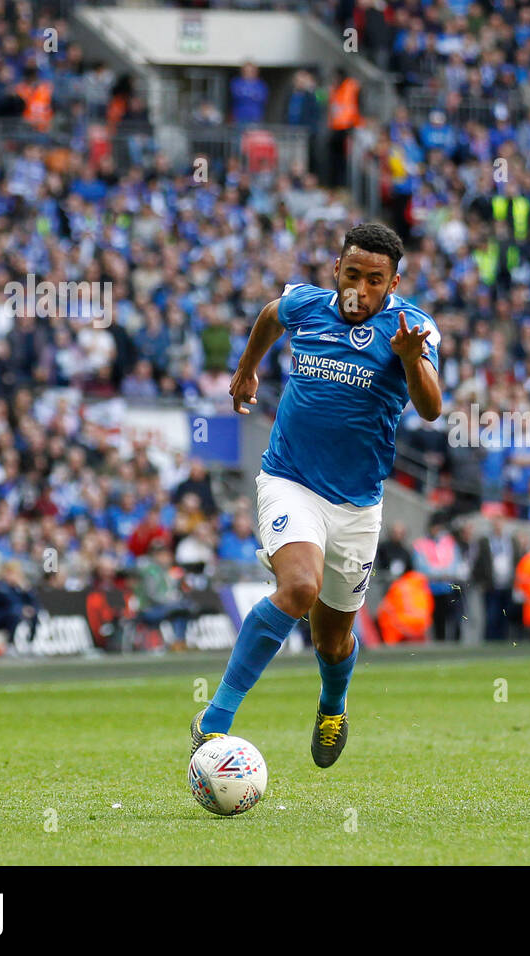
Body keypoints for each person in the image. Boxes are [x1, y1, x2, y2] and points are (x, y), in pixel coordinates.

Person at [192, 223, 441, 769]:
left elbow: (430, 407)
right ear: (336, 270)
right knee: (299, 587)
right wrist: (246, 370)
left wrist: (406, 358)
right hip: (290, 480)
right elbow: (268, 315)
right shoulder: (307, 304)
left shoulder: (413, 328)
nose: (359, 289)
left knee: (333, 642)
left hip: (356, 505)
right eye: (351, 274)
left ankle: (332, 705)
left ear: (393, 282)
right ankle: (214, 719)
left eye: (374, 280)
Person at [0, 560, 39, 657]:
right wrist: (23, 608)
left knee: (33, 614)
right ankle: (10, 645)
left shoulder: (15, 588)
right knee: (15, 612)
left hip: (5, 618)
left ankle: (30, 643)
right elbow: (11, 603)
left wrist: (27, 590)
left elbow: (33, 603)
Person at [376, 566, 432, 643]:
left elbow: (385, 610)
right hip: (418, 629)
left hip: (400, 630)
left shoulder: (397, 586)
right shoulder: (422, 588)